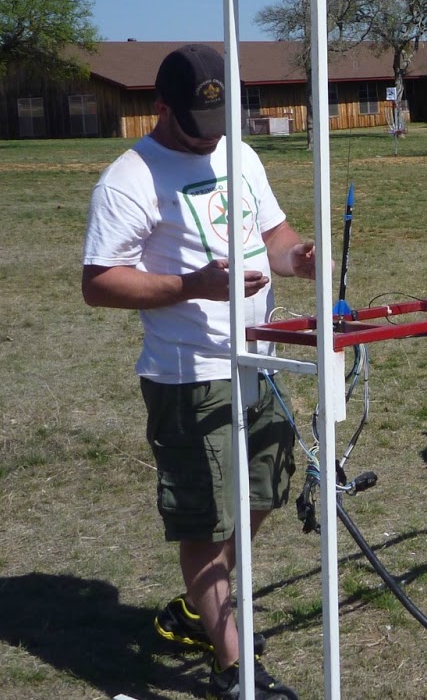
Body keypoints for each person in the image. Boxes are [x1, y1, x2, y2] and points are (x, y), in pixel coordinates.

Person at [82, 44, 310, 700]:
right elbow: (99, 285)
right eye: (197, 128)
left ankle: (198, 607)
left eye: (221, 126)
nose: (212, 141)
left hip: (259, 356)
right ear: (160, 110)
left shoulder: (240, 153)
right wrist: (191, 286)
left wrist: (303, 257)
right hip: (189, 374)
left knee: (265, 490)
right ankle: (235, 672)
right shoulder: (129, 179)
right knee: (206, 519)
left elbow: (277, 242)